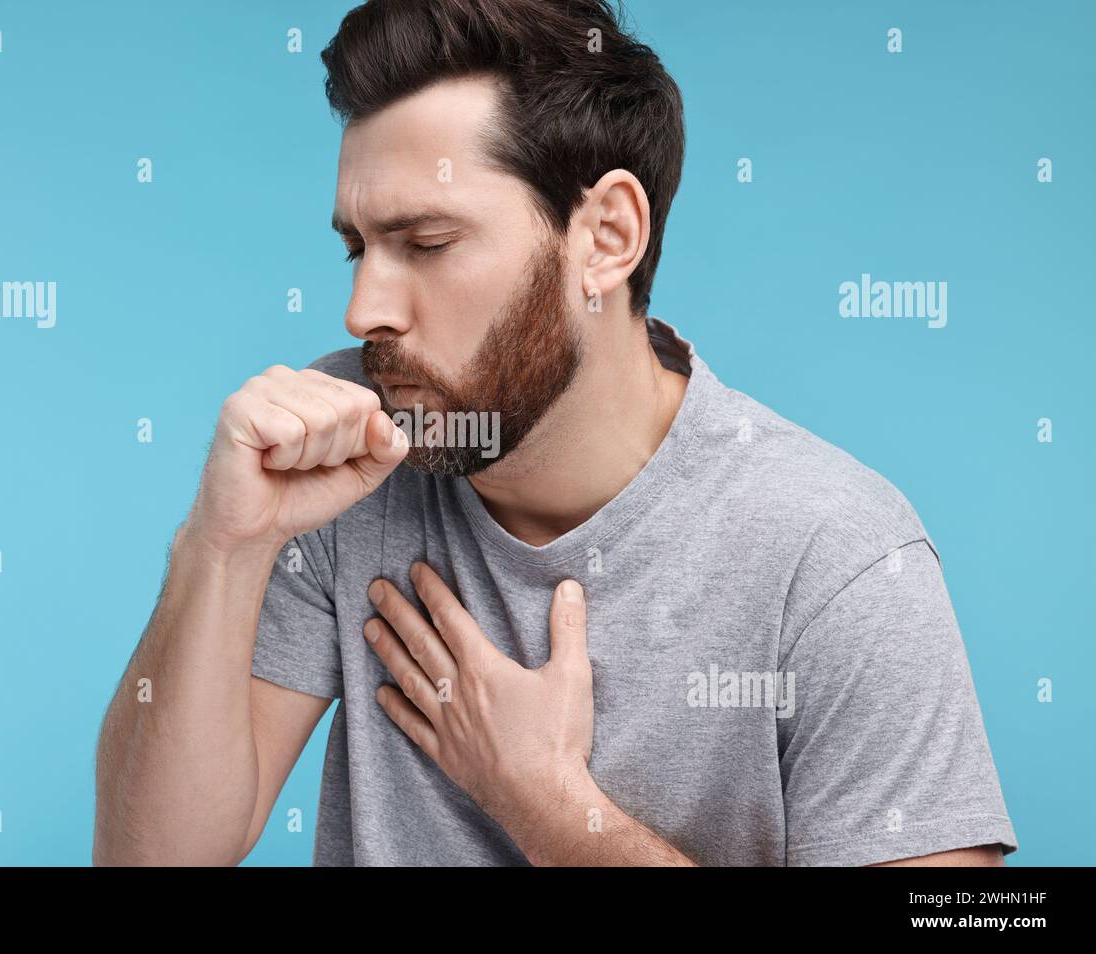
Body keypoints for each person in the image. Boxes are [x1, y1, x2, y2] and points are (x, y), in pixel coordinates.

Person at [93, 0, 1017, 866]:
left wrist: (545, 804)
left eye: (426, 244)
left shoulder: (837, 556)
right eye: (356, 248)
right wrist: (220, 548)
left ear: (606, 237)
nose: (361, 309)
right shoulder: (346, 451)